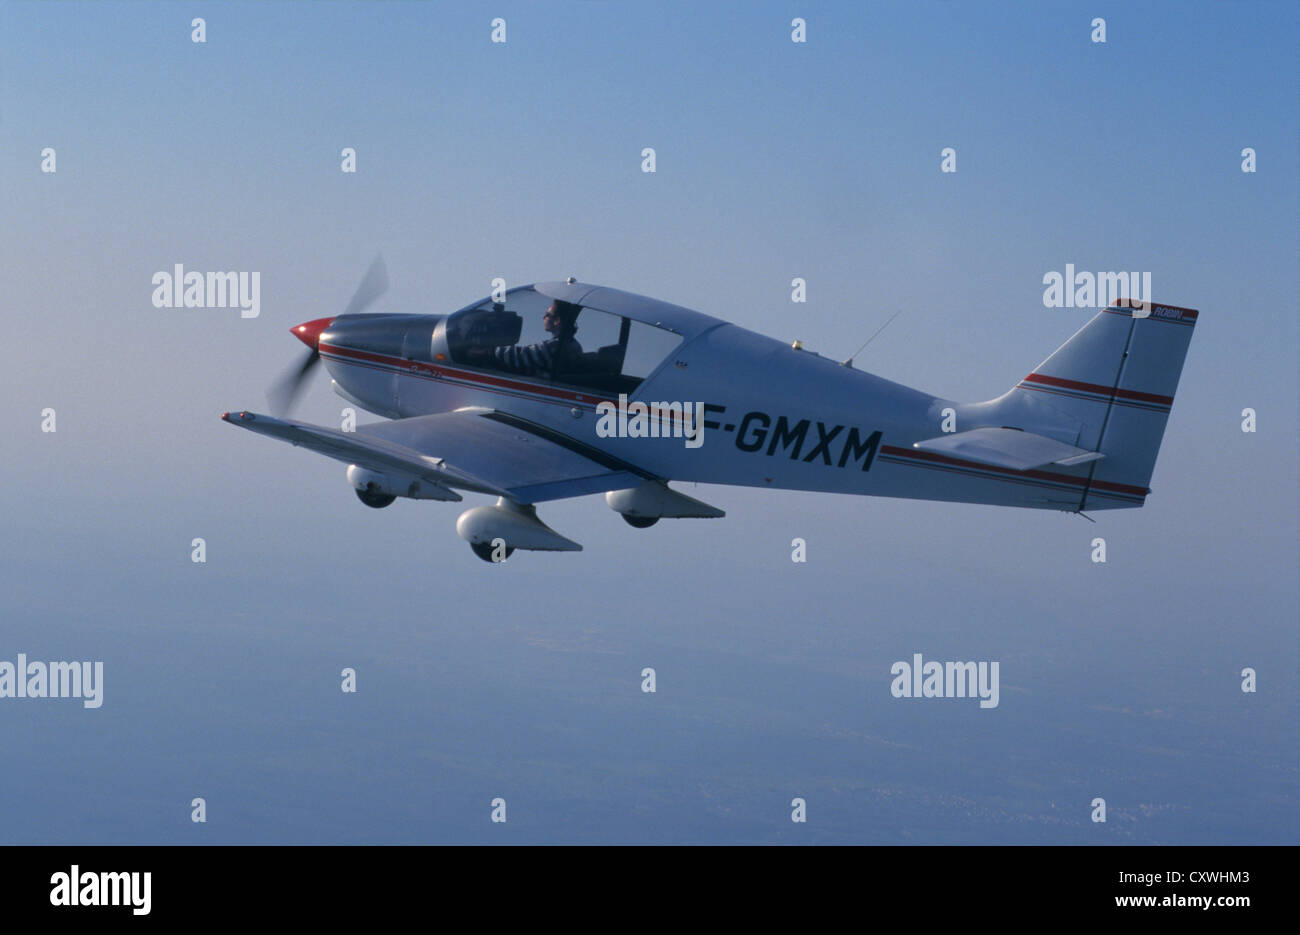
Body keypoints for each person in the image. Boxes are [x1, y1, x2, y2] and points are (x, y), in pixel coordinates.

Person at [487, 300, 582, 377]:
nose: (543, 317)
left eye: (547, 315)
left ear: (557, 321)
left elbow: (520, 355)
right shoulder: (573, 344)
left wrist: (489, 351)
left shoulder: (555, 347)